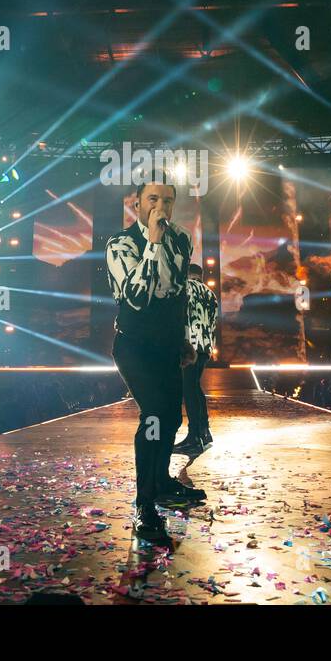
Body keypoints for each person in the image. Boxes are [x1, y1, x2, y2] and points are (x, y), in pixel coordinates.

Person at [105, 182, 206, 547]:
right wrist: (153, 241)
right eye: (153, 199)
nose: (160, 206)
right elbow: (136, 296)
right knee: (153, 415)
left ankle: (161, 481)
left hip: (166, 345)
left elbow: (176, 292)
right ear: (137, 204)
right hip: (134, 345)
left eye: (167, 200)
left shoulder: (181, 239)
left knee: (172, 417)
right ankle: (144, 504)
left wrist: (182, 340)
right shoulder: (121, 244)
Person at [172, 264, 218, 457]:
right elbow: (214, 322)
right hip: (205, 347)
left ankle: (194, 437)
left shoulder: (185, 288)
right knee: (194, 387)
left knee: (188, 389)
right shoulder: (211, 294)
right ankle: (204, 431)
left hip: (189, 346)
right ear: (201, 275)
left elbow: (179, 317)